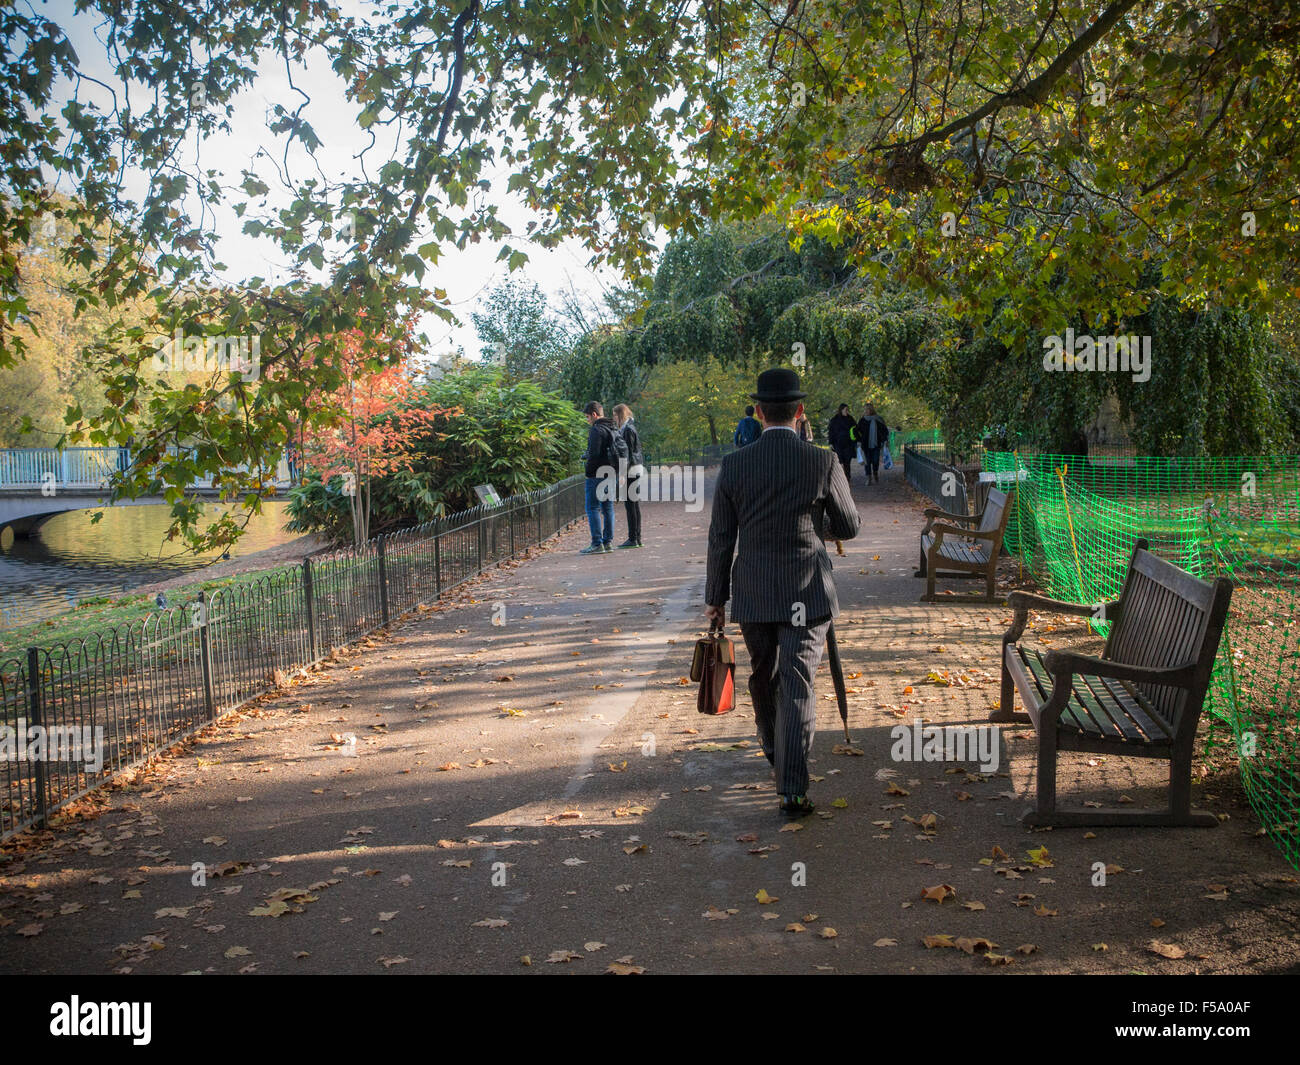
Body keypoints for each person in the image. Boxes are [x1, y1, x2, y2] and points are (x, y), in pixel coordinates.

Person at [705, 368, 860, 818]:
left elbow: (721, 537)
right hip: (807, 592)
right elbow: (849, 525)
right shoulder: (823, 461)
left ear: (757, 412)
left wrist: (715, 597)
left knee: (765, 676)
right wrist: (816, 526)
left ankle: (776, 749)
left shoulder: (734, 465)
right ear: (800, 412)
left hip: (753, 593)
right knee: (797, 682)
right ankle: (791, 788)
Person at [580, 401, 618, 554]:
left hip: (597, 475)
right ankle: (608, 542)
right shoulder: (613, 427)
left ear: (594, 414)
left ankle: (597, 543)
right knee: (607, 508)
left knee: (592, 507)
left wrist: (588, 468)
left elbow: (594, 454)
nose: (588, 420)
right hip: (611, 472)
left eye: (588, 417)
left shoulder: (597, 430)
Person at [612, 403, 643, 549]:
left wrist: (622, 474)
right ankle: (636, 537)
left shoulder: (627, 429)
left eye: (615, 415)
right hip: (635, 468)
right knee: (633, 504)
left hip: (631, 470)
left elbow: (627, 454)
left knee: (631, 505)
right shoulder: (629, 427)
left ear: (620, 415)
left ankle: (633, 538)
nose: (614, 418)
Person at [855, 403, 889, 485]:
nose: (866, 411)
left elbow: (885, 431)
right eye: (865, 410)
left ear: (871, 410)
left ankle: (875, 473)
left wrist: (885, 440)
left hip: (876, 444)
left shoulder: (879, 419)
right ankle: (869, 478)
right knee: (867, 462)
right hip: (865, 445)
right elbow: (856, 431)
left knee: (875, 461)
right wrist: (859, 440)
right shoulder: (862, 420)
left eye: (867, 409)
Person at [827, 403, 856, 481]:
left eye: (847, 410)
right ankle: (841, 477)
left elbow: (855, 430)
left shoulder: (850, 419)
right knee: (840, 460)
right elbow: (831, 432)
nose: (847, 411)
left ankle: (847, 477)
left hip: (848, 443)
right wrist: (830, 442)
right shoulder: (834, 419)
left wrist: (855, 441)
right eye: (845, 409)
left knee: (847, 461)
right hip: (838, 443)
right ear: (841, 410)